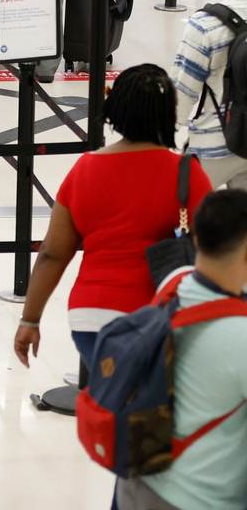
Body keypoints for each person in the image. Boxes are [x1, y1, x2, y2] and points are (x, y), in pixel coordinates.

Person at [15, 65, 211, 388]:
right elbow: (214, 253)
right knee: (148, 417)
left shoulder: (85, 169)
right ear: (168, 114)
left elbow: (52, 253)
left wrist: (30, 319)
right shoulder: (187, 174)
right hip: (156, 318)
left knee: (119, 404)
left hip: (89, 318)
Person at [115, 189, 247, 510]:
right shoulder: (239, 335)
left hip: (136, 486)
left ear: (197, 240)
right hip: (197, 499)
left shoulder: (167, 297)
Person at [173, 0, 247, 190]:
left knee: (180, 213)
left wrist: (163, 134)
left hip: (216, 142)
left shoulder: (205, 24)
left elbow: (184, 91)